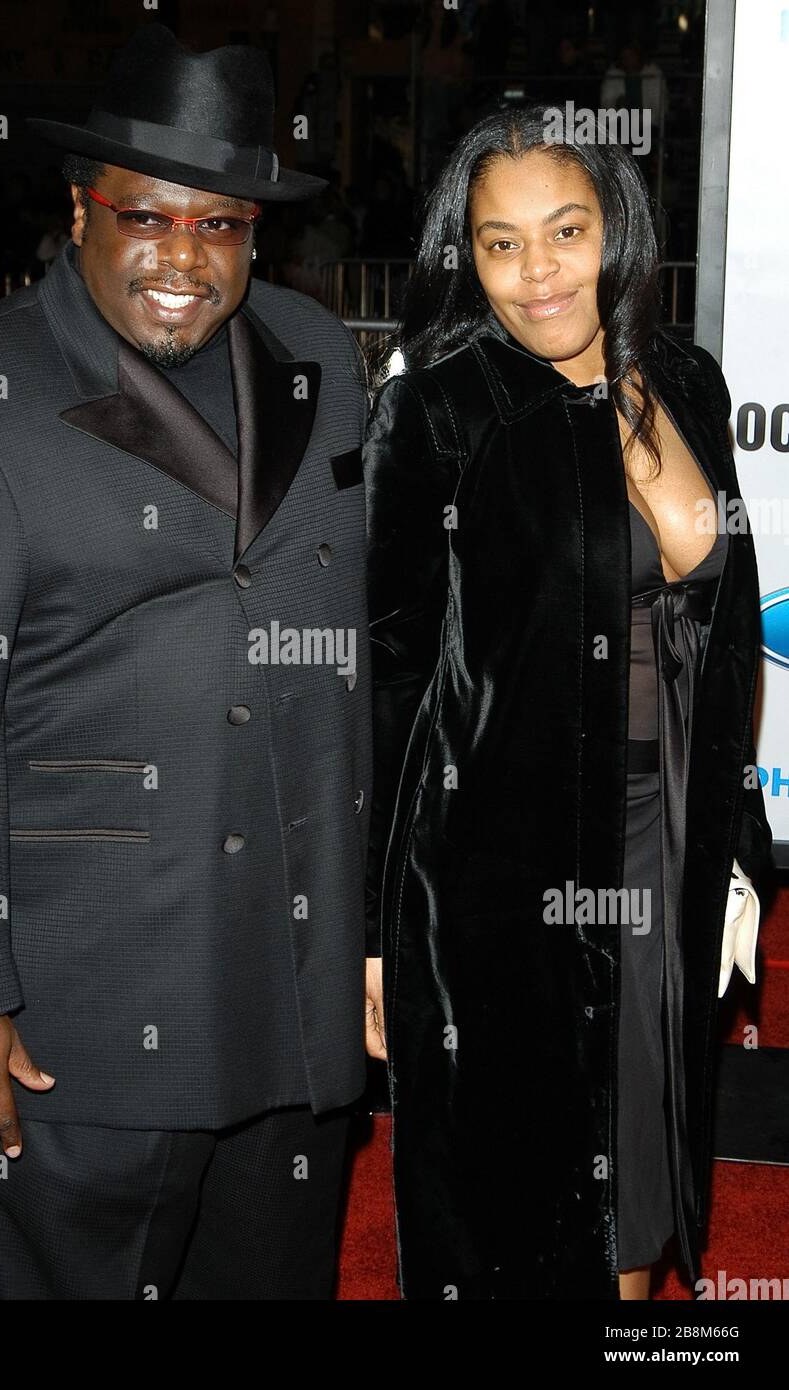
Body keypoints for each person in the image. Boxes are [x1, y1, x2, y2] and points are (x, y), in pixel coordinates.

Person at [0, 23, 371, 1301]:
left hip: (297, 992)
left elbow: (362, 662)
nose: (184, 257)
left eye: (223, 225)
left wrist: (372, 933)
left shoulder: (327, 359)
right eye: (148, 216)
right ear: (80, 207)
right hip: (87, 1007)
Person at [362, 104, 772, 1300]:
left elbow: (729, 632)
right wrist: (374, 931)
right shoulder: (440, 407)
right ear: (464, 257)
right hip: (494, 874)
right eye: (498, 243)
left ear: (619, 232)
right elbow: (388, 675)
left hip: (660, 838)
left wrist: (735, 838)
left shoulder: (687, 380)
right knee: (515, 1202)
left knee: (640, 1170)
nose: (535, 272)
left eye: (566, 229)